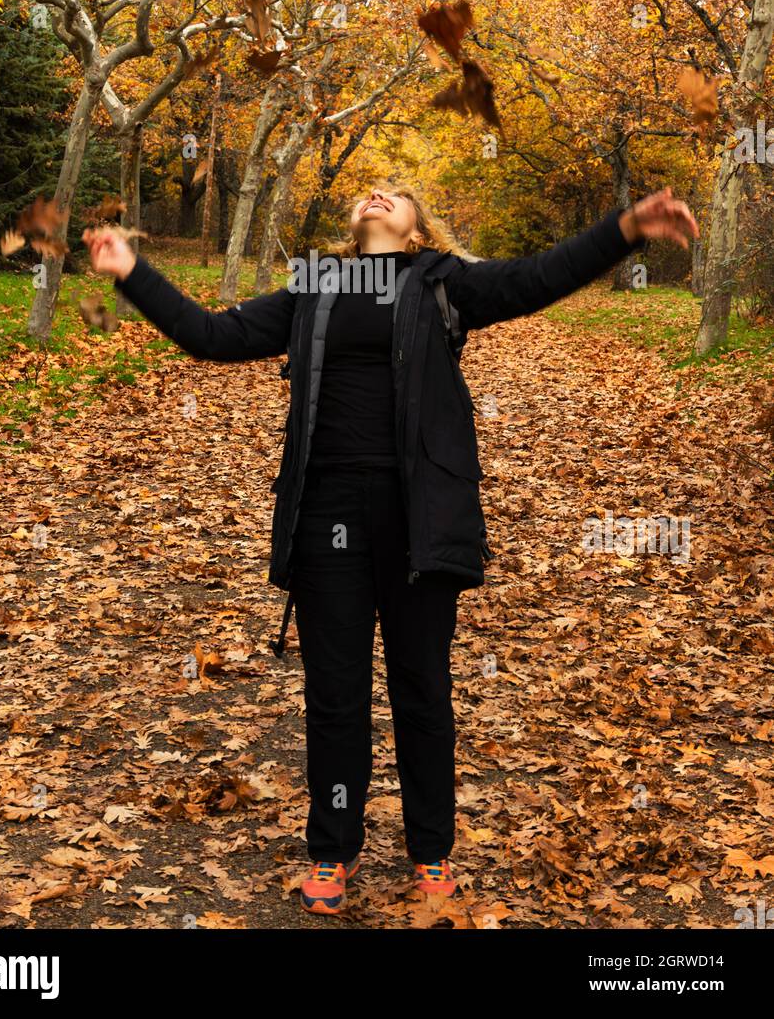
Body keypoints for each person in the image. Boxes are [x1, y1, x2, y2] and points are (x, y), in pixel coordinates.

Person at [84, 183, 699, 916]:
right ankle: (332, 852)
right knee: (335, 693)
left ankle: (431, 852)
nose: (379, 192)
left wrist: (626, 228)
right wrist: (132, 271)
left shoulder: (443, 280)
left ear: (415, 229)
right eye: (371, 189)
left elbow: (542, 276)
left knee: (421, 689)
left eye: (398, 192)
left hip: (422, 513)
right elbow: (217, 336)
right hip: (325, 514)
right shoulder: (316, 284)